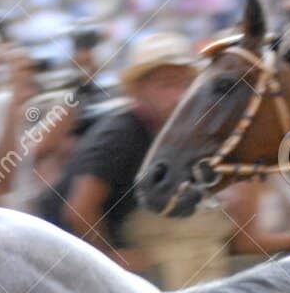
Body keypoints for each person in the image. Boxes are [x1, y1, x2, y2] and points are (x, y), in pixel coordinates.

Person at [39, 33, 198, 273]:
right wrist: (110, 258)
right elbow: (79, 209)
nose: (178, 95)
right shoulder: (122, 134)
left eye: (184, 84)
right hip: (62, 252)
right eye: (166, 85)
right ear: (139, 90)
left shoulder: (165, 131)